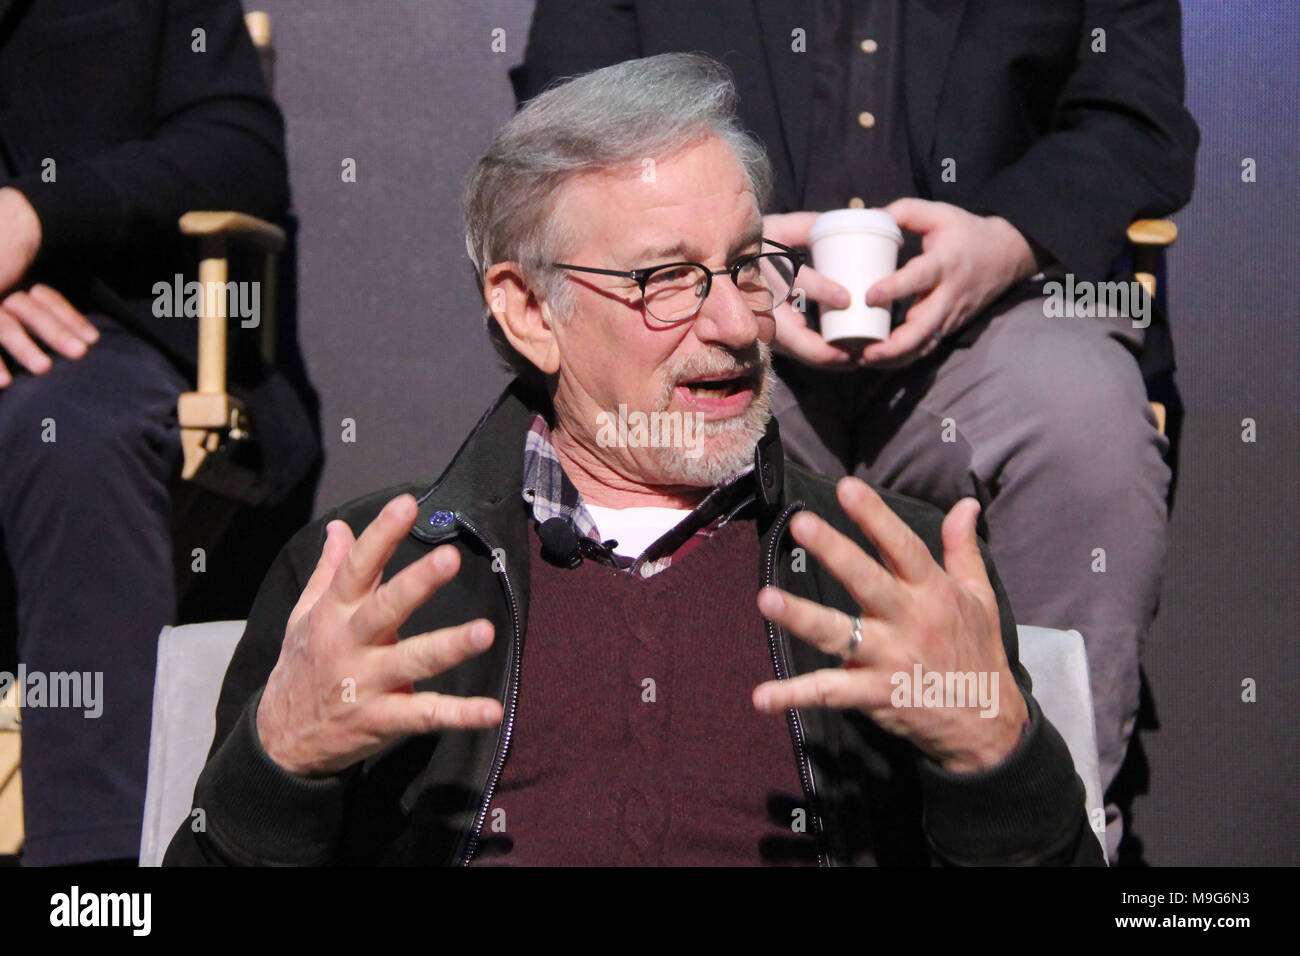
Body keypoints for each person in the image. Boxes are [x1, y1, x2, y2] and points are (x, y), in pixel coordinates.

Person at [165, 54, 1102, 866]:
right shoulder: (369, 581)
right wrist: (277, 764)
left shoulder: (899, 574)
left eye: (743, 266)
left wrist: (999, 757)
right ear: (530, 312)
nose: (736, 326)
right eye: (665, 279)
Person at [513, 0, 1200, 861]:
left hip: (995, 317)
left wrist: (1008, 240)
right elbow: (567, 112)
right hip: (718, 309)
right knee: (617, 388)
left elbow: (1134, 119)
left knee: (1083, 418)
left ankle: (1051, 831)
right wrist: (733, 264)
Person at [0, 0, 307, 864]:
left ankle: (97, 880)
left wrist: (35, 214)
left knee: (69, 437)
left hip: (111, 337)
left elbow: (239, 154)